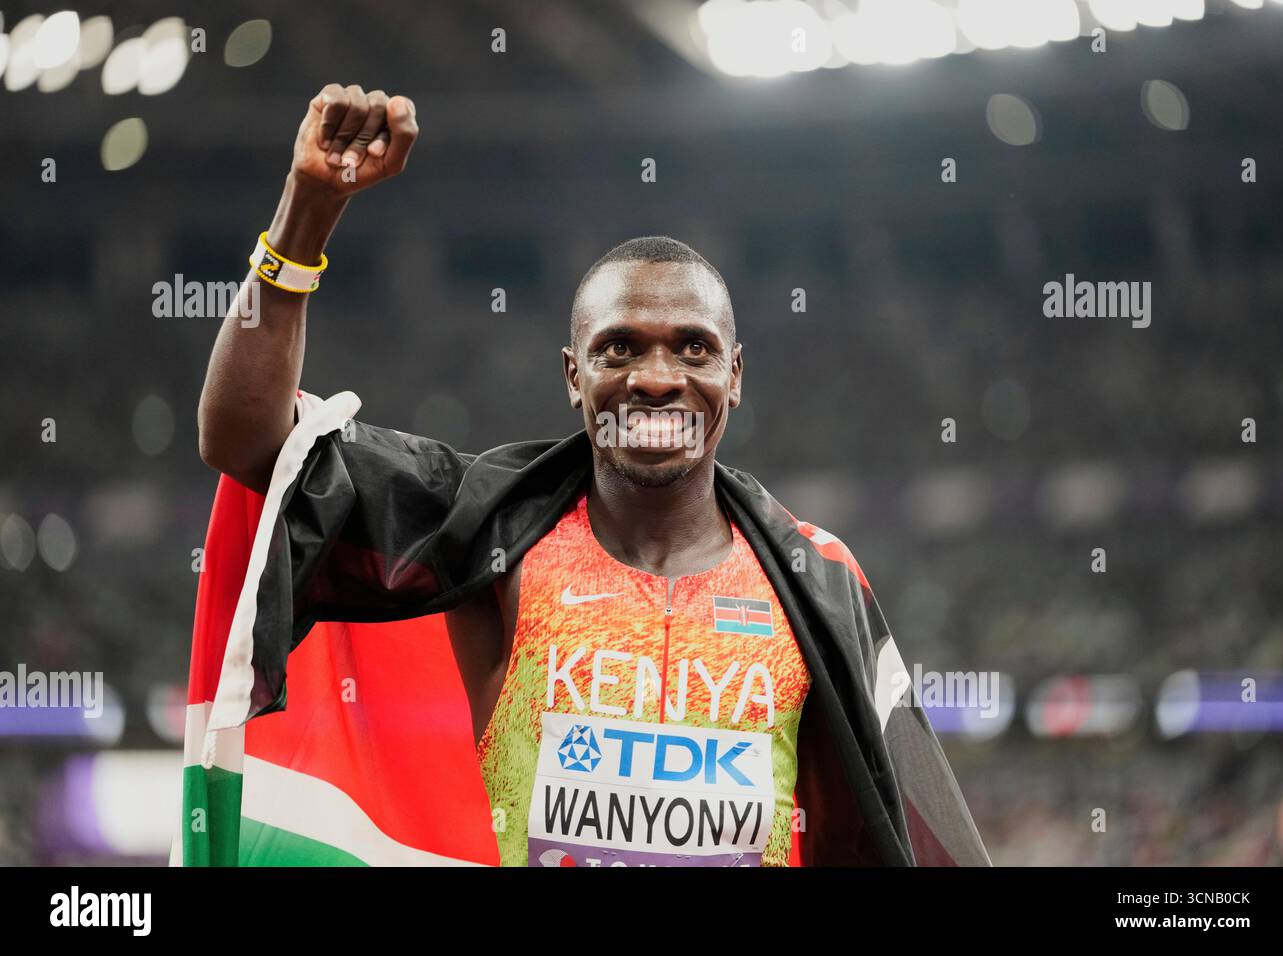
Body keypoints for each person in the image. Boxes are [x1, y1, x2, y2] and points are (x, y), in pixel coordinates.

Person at [196, 83, 989, 867]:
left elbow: (878, 831)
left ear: (735, 374)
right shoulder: (490, 534)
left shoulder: (814, 581)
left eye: (694, 348)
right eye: (619, 348)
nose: (657, 378)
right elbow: (246, 440)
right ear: (574, 376)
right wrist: (306, 212)